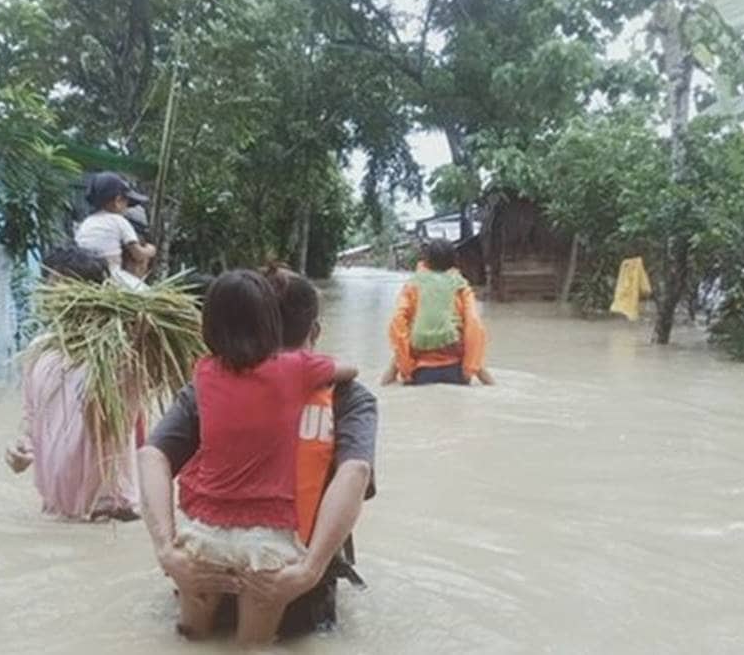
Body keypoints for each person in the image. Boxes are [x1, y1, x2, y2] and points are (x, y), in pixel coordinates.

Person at [140, 268, 377, 642]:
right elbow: (356, 473)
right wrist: (310, 570)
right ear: (314, 331)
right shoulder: (349, 396)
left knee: (189, 640)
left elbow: (152, 456)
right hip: (288, 582)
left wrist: (167, 551)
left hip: (200, 568)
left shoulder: (207, 379)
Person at [5, 247, 141, 522]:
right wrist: (21, 450)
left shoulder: (119, 354)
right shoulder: (39, 349)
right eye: (49, 288)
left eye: (62, 290)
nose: (52, 299)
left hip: (109, 510)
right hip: (55, 508)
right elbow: (31, 417)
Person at [382, 238, 494, 386]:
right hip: (455, 365)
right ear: (454, 261)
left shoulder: (412, 286)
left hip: (419, 369)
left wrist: (406, 368)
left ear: (426, 260)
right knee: (479, 365)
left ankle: (382, 386)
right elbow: (474, 325)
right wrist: (470, 368)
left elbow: (398, 323)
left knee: (395, 361)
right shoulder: (461, 287)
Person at [74, 172, 156, 285]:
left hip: (84, 274)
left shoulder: (86, 223)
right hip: (111, 273)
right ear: (118, 201)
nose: (127, 208)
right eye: (126, 203)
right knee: (142, 290)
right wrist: (150, 251)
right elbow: (137, 254)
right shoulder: (119, 221)